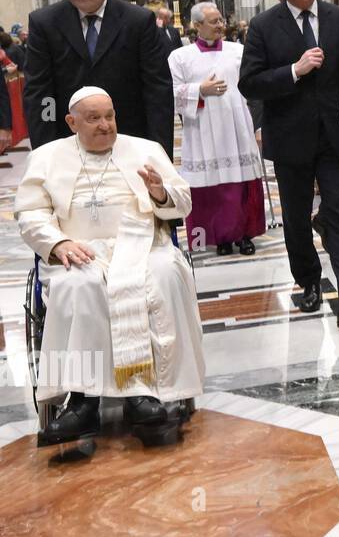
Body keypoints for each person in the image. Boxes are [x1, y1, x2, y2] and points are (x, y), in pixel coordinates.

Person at [16, 86, 204, 446]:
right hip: (79, 248)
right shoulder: (45, 157)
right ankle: (82, 400)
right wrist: (58, 243)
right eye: (93, 119)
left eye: (109, 116)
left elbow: (183, 201)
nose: (105, 126)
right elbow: (30, 213)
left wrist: (160, 192)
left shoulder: (147, 149)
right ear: (72, 122)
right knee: (77, 285)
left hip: (143, 243)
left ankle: (147, 393)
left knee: (162, 274)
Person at [238, 0, 339, 331]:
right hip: (290, 139)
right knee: (298, 219)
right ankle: (309, 281)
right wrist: (293, 71)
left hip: (337, 138)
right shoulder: (264, 26)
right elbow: (249, 83)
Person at [24, 0, 172, 156]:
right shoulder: (44, 23)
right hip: (67, 144)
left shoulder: (138, 21)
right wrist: (45, 151)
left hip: (129, 141)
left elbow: (157, 92)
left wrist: (159, 153)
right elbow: (41, 96)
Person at [168, 3, 265, 258]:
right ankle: (220, 238)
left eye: (221, 20)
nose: (220, 25)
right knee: (211, 187)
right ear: (197, 25)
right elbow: (170, 94)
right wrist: (200, 90)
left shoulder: (239, 51)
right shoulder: (180, 57)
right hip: (202, 129)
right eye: (213, 21)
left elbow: (254, 85)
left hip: (237, 126)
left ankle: (244, 235)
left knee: (241, 183)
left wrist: (258, 125)